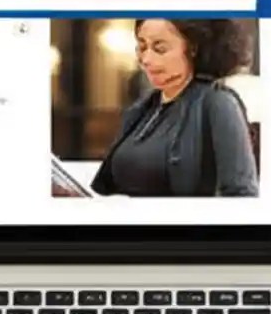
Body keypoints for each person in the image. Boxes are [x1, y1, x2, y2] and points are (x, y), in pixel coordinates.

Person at [91, 19, 259, 198]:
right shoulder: (142, 109)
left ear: (193, 48)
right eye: (142, 47)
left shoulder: (219, 103)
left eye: (160, 49)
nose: (146, 60)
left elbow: (241, 196)